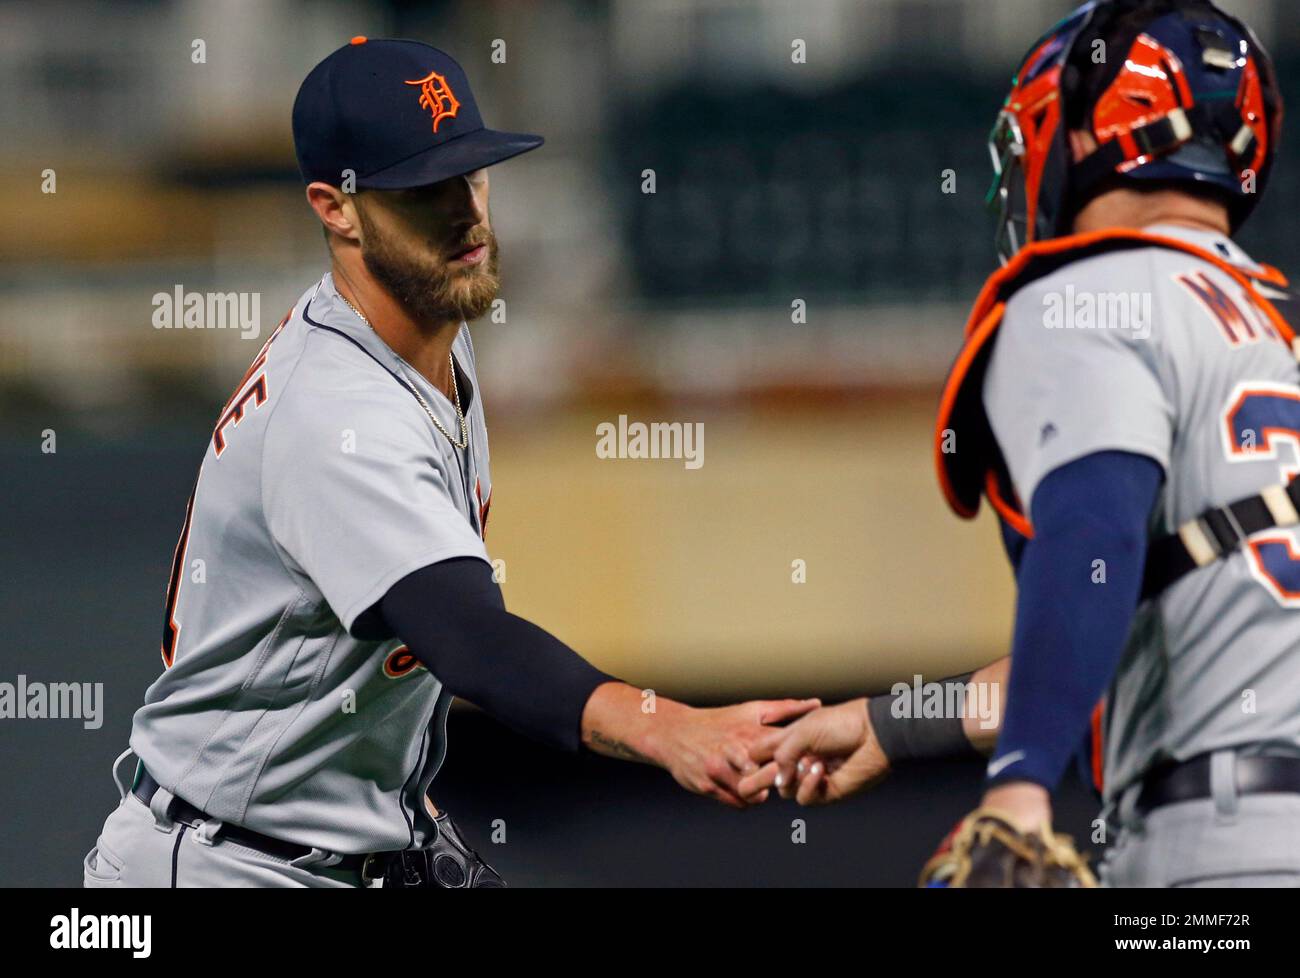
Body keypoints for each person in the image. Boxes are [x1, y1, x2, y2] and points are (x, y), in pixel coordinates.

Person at [83, 36, 816, 889]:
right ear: (338, 207)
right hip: (224, 865)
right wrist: (667, 726)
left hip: (293, 841)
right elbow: (471, 642)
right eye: (422, 188)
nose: (465, 211)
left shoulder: (427, 327)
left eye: (472, 172)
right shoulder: (338, 414)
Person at [746, 0, 1300, 888]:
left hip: (1220, 855)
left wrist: (1019, 786)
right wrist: (899, 723)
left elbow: (1094, 540)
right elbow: (1141, 606)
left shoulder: (1091, 295)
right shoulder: (1277, 328)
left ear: (1083, 135)